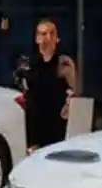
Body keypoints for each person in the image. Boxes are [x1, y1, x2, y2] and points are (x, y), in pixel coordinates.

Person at [20, 17, 77, 152]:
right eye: (43, 34)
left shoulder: (63, 63)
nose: (48, 38)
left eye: (52, 33)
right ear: (37, 38)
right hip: (35, 128)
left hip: (57, 128)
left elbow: (73, 90)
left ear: (57, 38)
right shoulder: (29, 64)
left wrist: (69, 104)